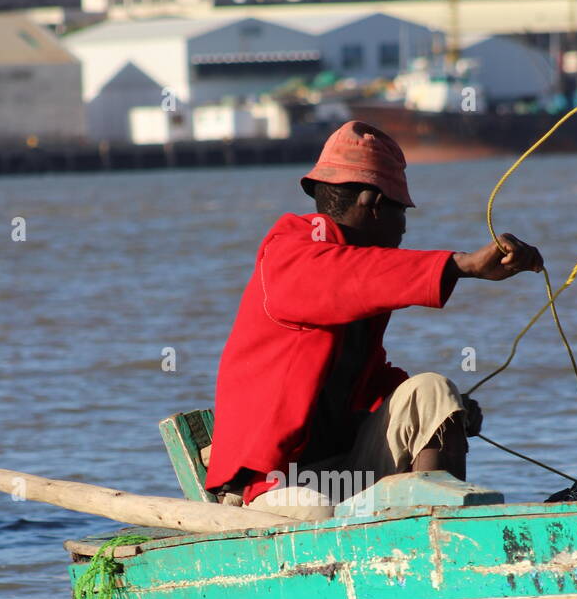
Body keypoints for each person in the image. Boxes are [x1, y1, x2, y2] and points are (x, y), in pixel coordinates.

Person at [205, 120, 543, 515]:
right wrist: (461, 265)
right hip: (276, 484)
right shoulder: (290, 253)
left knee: (431, 390)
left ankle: (445, 533)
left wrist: (451, 410)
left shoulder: (353, 278)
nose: (403, 229)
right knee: (317, 511)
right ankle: (419, 541)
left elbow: (366, 384)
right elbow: (349, 275)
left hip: (343, 473)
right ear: (374, 204)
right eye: (402, 213)